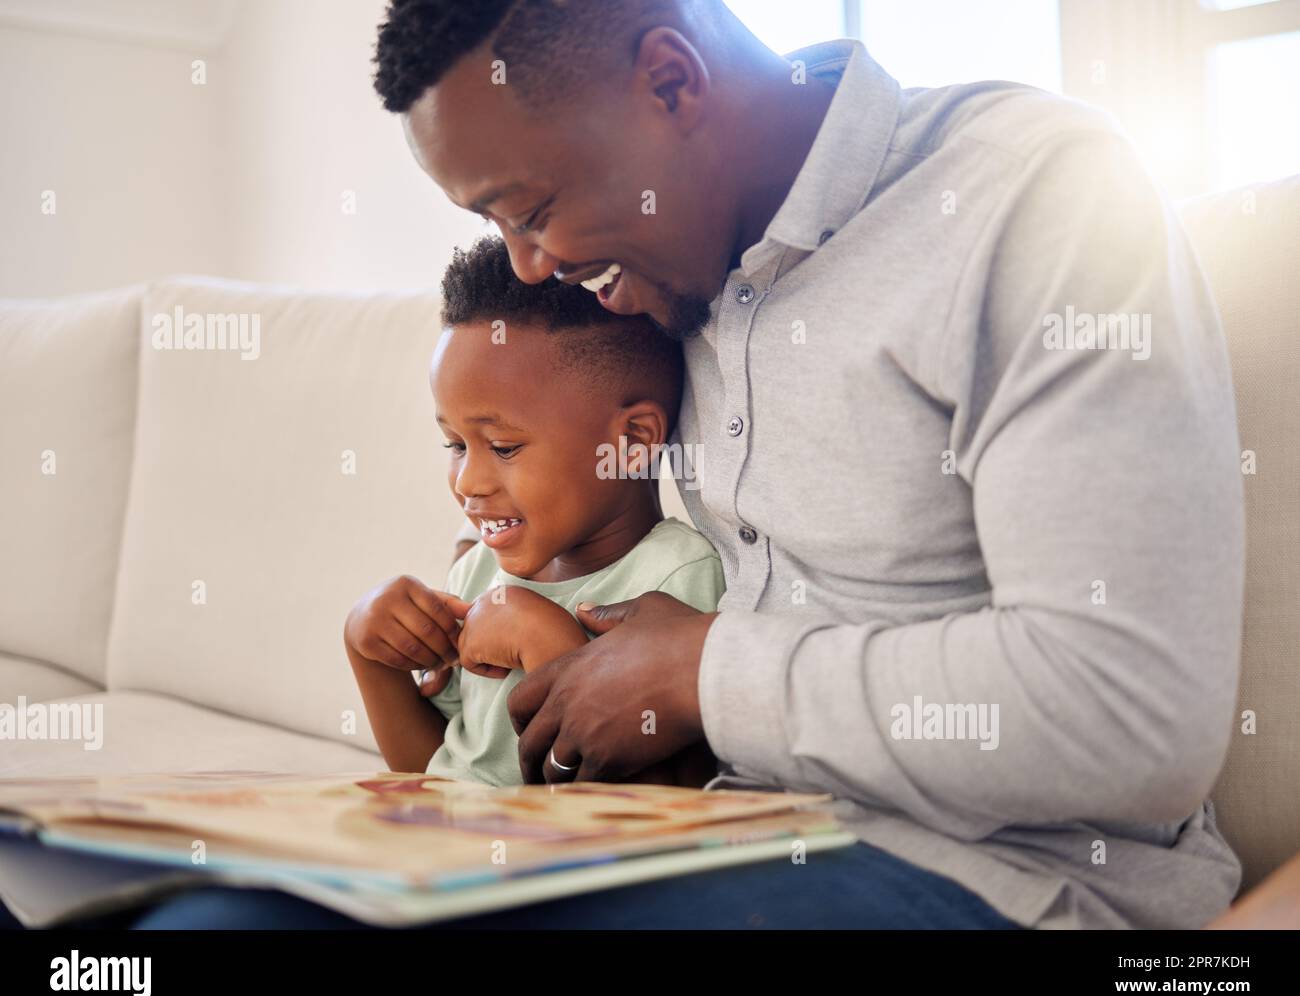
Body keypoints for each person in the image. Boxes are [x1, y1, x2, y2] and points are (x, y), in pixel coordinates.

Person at [124, 0, 1245, 929]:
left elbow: (1130, 718)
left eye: (535, 211)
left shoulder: (1033, 198)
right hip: (683, 836)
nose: (535, 267)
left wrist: (699, 673)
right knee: (197, 923)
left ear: (670, 82)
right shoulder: (656, 289)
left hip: (977, 881)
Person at [345, 234, 723, 786]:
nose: (468, 481)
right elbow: (438, 775)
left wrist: (549, 645)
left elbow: (660, 804)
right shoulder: (479, 567)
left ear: (631, 442)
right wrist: (369, 655)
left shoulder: (677, 579)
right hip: (442, 850)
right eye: (455, 445)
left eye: (503, 448)